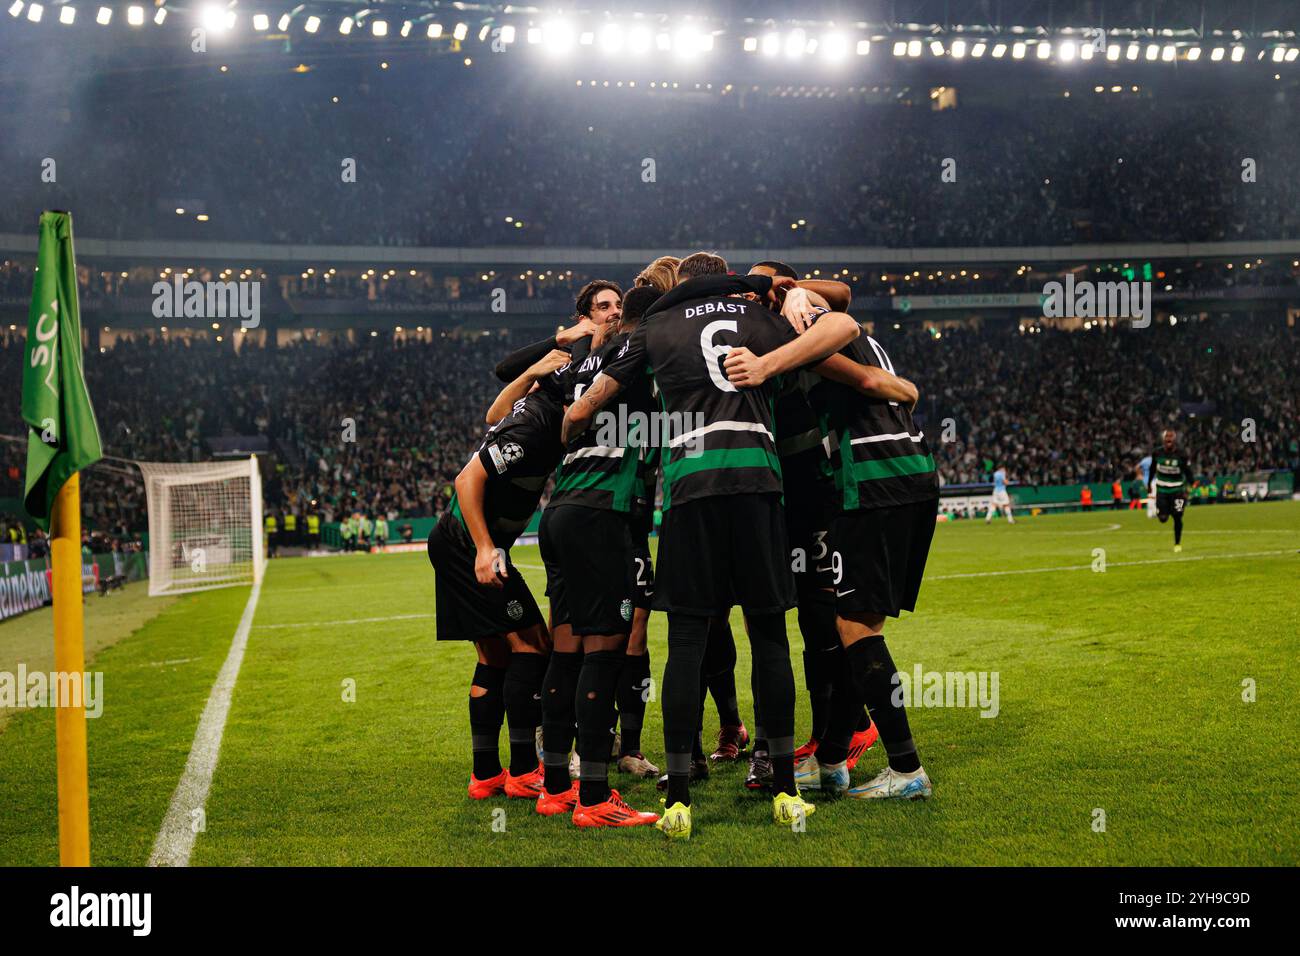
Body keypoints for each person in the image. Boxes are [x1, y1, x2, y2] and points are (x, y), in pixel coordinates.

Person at [566, 253, 859, 838]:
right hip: (756, 483)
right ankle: (782, 788)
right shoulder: (757, 317)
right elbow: (845, 326)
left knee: (686, 643)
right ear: (726, 279)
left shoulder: (654, 327)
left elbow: (591, 394)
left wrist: (574, 411)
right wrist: (778, 337)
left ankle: (677, 798)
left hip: (690, 491)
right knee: (770, 636)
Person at [729, 304, 937, 801]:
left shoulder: (816, 330)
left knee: (855, 628)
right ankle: (832, 761)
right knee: (855, 627)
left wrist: (765, 362)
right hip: (906, 474)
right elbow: (865, 368)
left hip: (874, 479)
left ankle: (907, 770)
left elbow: (855, 365)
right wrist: (904, 387)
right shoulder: (830, 319)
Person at [534, 284, 662, 827]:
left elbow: (523, 396)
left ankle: (555, 787)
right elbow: (576, 415)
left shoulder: (583, 363)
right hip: (600, 512)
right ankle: (593, 801)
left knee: (567, 650)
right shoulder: (636, 350)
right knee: (606, 650)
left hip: (559, 509)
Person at [426, 368, 567, 802]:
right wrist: (486, 549)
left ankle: (486, 772)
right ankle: (525, 769)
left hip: (452, 540)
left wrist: (529, 373)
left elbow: (492, 411)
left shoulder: (525, 411)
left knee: (494, 655)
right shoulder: (532, 426)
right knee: (535, 646)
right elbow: (467, 480)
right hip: (469, 545)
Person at [1148, 428, 1194, 552]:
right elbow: (1152, 469)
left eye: (1171, 436)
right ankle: (1164, 509)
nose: (1168, 439)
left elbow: (1187, 470)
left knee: (1178, 516)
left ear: (1174, 439)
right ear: (1163, 439)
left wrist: (1192, 483)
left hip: (1178, 490)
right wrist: (1148, 484)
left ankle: (1177, 544)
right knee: (1163, 518)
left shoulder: (1181, 454)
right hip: (1162, 490)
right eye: (1166, 436)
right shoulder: (1157, 453)